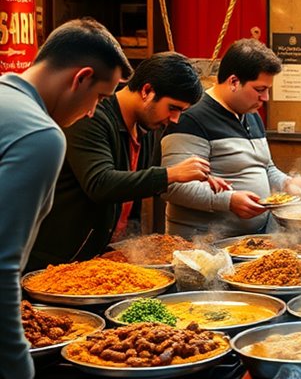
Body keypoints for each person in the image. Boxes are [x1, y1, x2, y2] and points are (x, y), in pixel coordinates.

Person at [0, 18, 130, 379]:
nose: (92, 112)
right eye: (100, 98)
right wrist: (16, 366)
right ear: (81, 77)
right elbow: (3, 264)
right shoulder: (39, 134)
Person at [28, 52, 222, 272]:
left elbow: (140, 180)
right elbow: (100, 183)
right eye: (173, 108)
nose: (175, 119)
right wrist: (172, 174)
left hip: (97, 256)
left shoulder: (146, 127)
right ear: (147, 91)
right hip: (53, 258)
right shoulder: (91, 116)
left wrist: (195, 175)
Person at [162, 39, 301, 238]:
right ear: (234, 82)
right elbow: (173, 186)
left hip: (251, 240)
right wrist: (229, 200)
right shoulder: (191, 117)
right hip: (203, 244)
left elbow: (266, 167)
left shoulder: (251, 115)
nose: (266, 98)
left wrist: (288, 183)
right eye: (259, 90)